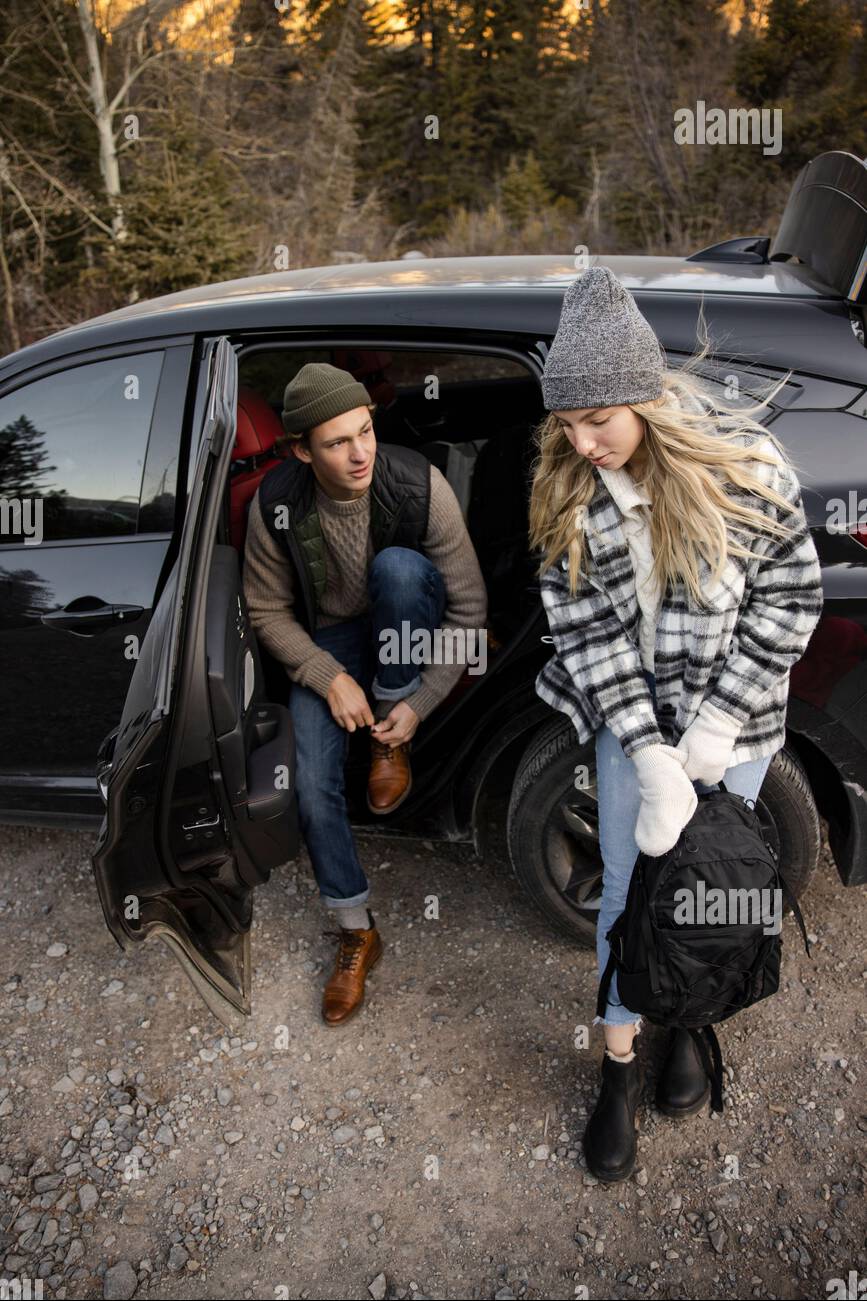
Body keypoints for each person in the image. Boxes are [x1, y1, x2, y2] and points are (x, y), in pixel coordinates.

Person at [529, 266, 824, 1183]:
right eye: (568, 424)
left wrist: (714, 731)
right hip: (635, 732)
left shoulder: (744, 467)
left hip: (732, 730)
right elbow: (582, 632)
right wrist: (654, 755)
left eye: (601, 420)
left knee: (708, 881)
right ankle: (617, 1068)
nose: (585, 441)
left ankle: (689, 1026)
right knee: (627, 890)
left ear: (646, 397)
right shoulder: (567, 493)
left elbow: (791, 597)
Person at [243, 363, 488, 1026]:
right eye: (335, 442)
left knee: (399, 569)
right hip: (332, 642)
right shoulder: (277, 503)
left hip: (405, 624)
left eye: (364, 432)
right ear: (301, 450)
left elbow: (469, 612)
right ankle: (356, 931)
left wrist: (415, 705)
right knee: (310, 784)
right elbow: (266, 613)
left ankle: (389, 739)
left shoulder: (417, 483)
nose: (358, 453)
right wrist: (329, 677)